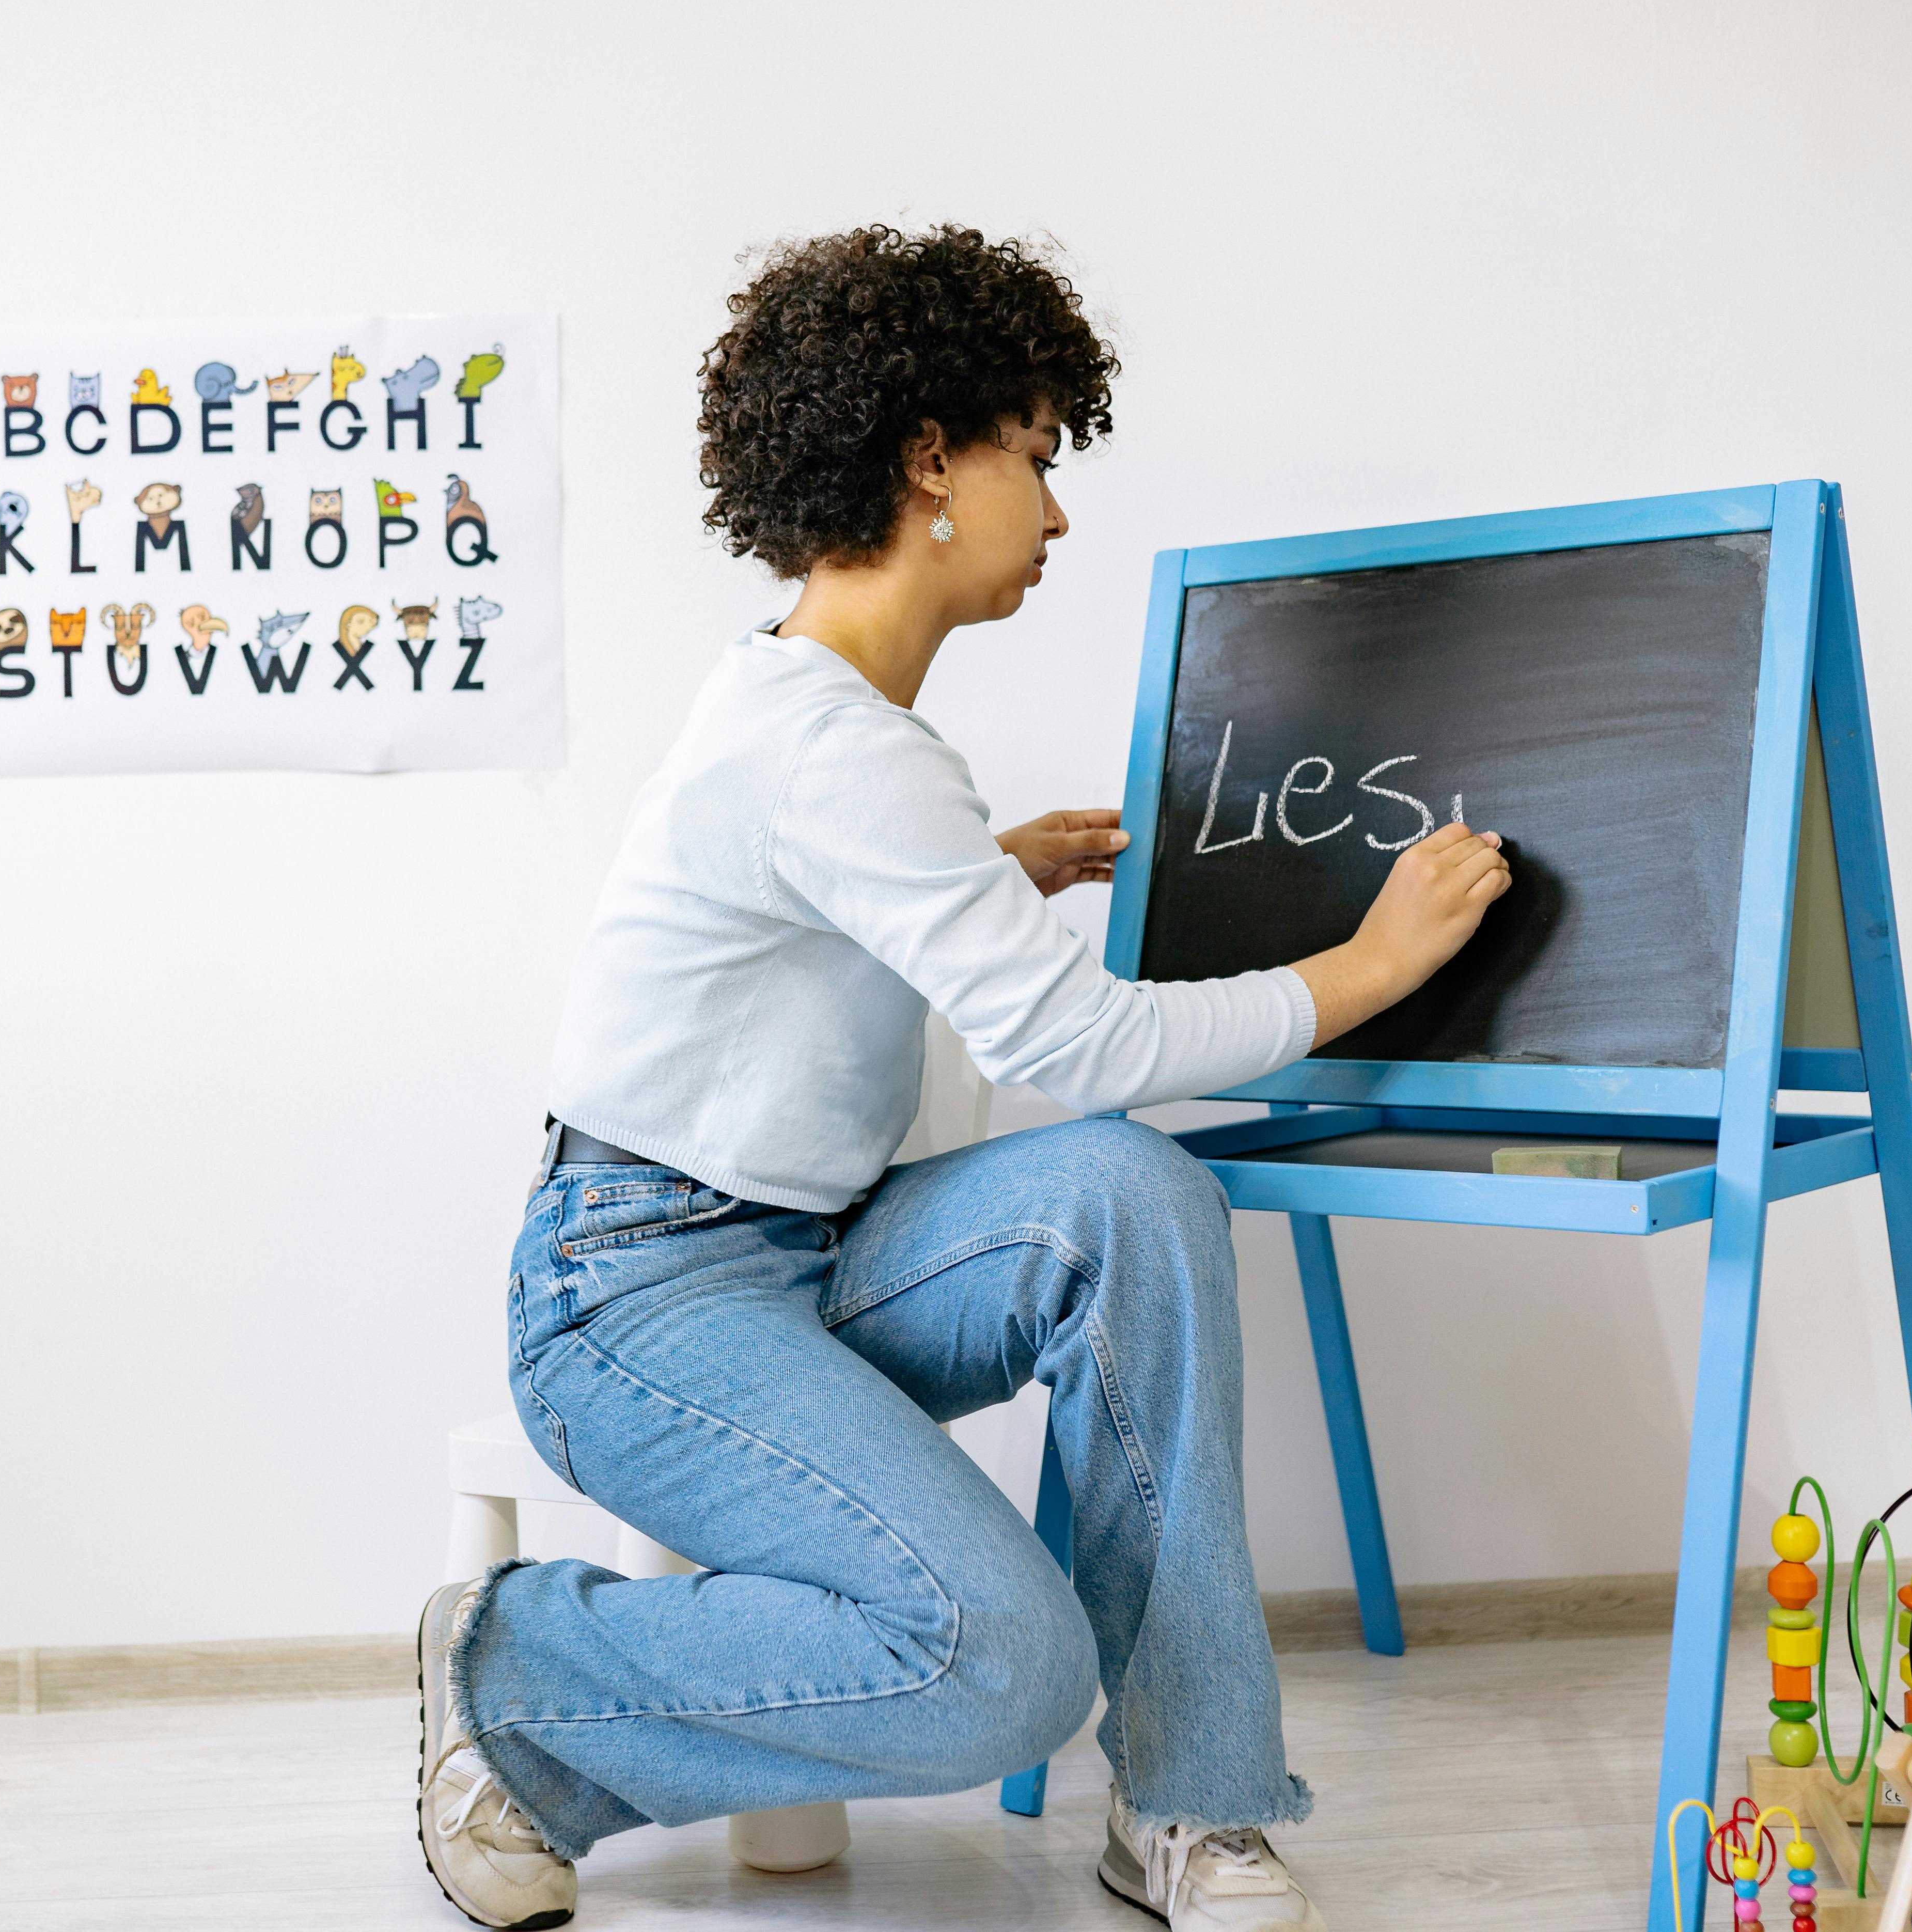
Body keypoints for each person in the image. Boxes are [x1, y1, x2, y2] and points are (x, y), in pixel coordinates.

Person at [416, 226, 1511, 1931]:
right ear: (933, 457)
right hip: (632, 1293)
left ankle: (1191, 1802)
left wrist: (975, 873)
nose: (1058, 513)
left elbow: (799, 943)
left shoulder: (841, 739)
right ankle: (520, 1667)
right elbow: (1070, 1047)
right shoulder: (828, 748)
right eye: (1040, 455)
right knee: (1001, 1665)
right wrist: (1363, 970)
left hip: (805, 1251)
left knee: (1133, 1194)